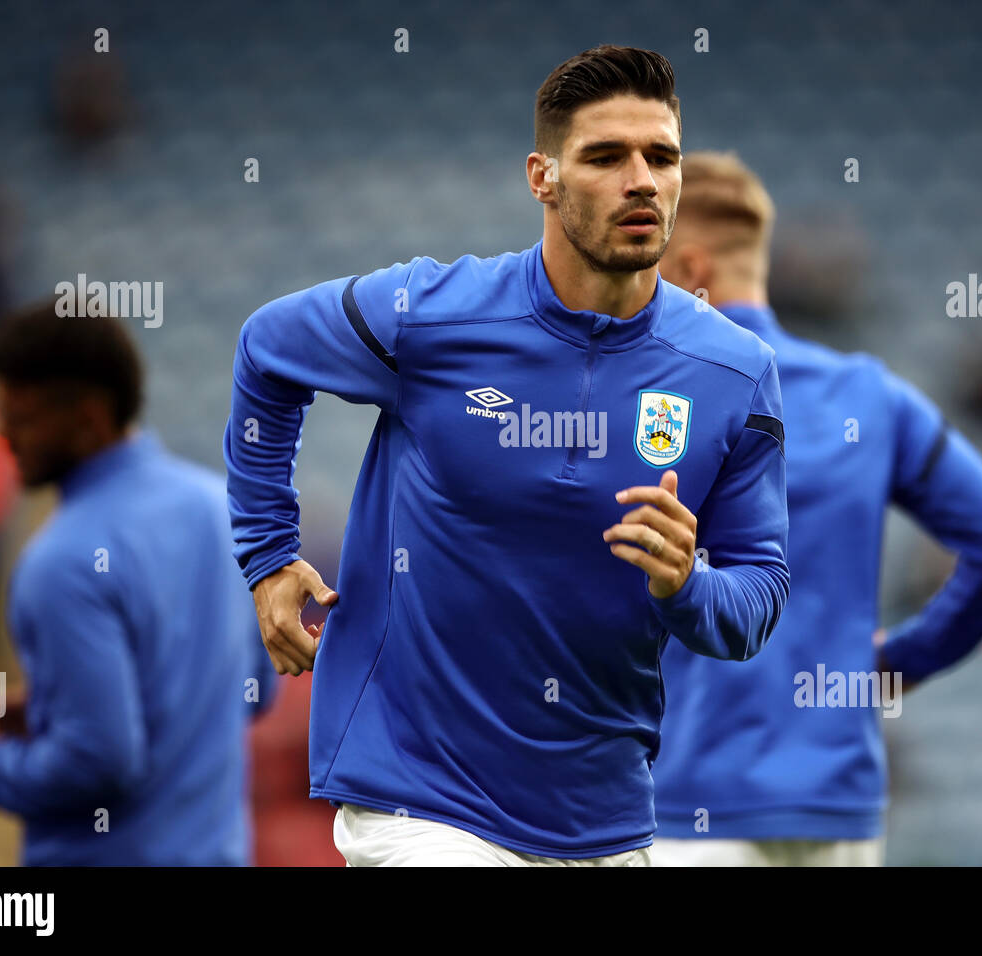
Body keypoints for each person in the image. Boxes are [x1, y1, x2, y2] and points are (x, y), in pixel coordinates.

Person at [223, 46, 790, 866]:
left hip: (604, 815)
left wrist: (685, 584)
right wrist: (269, 555)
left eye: (660, 157)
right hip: (418, 795)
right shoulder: (432, 314)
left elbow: (758, 597)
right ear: (543, 177)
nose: (641, 180)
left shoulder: (736, 374)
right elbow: (266, 351)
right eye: (605, 157)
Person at [651, 152, 982, 866]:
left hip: (687, 803)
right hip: (838, 810)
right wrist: (904, 660)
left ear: (690, 267)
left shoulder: (649, 404)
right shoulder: (869, 396)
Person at [0, 302, 273, 865]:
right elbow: (252, 687)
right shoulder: (223, 511)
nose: (1, 433)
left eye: (20, 415)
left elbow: (100, 760)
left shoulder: (60, 561)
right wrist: (59, 705)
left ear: (88, 418)